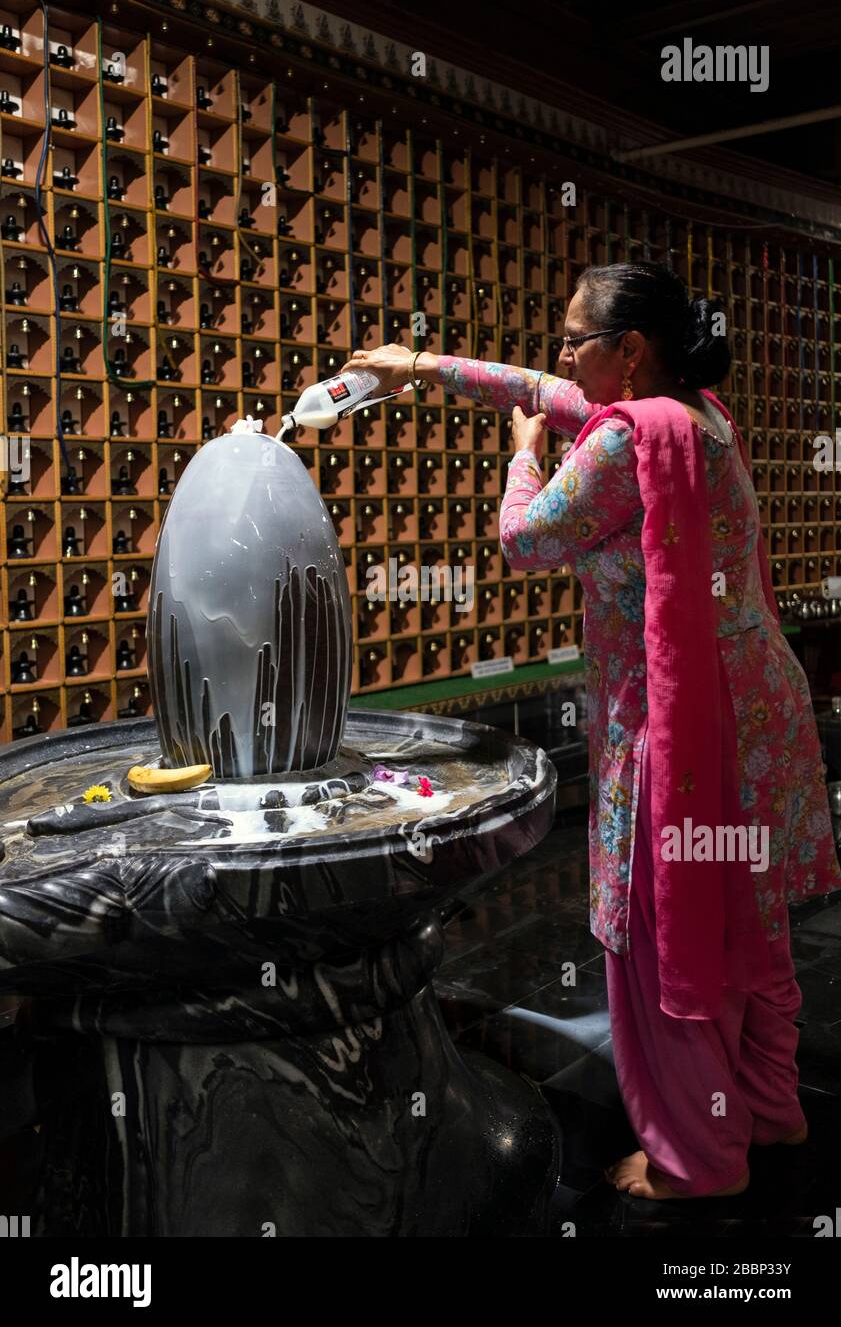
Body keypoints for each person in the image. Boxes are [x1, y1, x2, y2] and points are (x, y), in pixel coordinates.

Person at [339, 262, 841, 1200]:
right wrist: (414, 365)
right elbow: (536, 388)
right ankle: (767, 1106)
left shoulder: (622, 445)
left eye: (574, 339)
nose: (559, 356)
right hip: (755, 711)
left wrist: (523, 453)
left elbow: (524, 539)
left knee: (670, 926)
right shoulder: (693, 415)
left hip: (681, 726)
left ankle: (696, 1160)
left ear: (629, 350)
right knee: (742, 909)